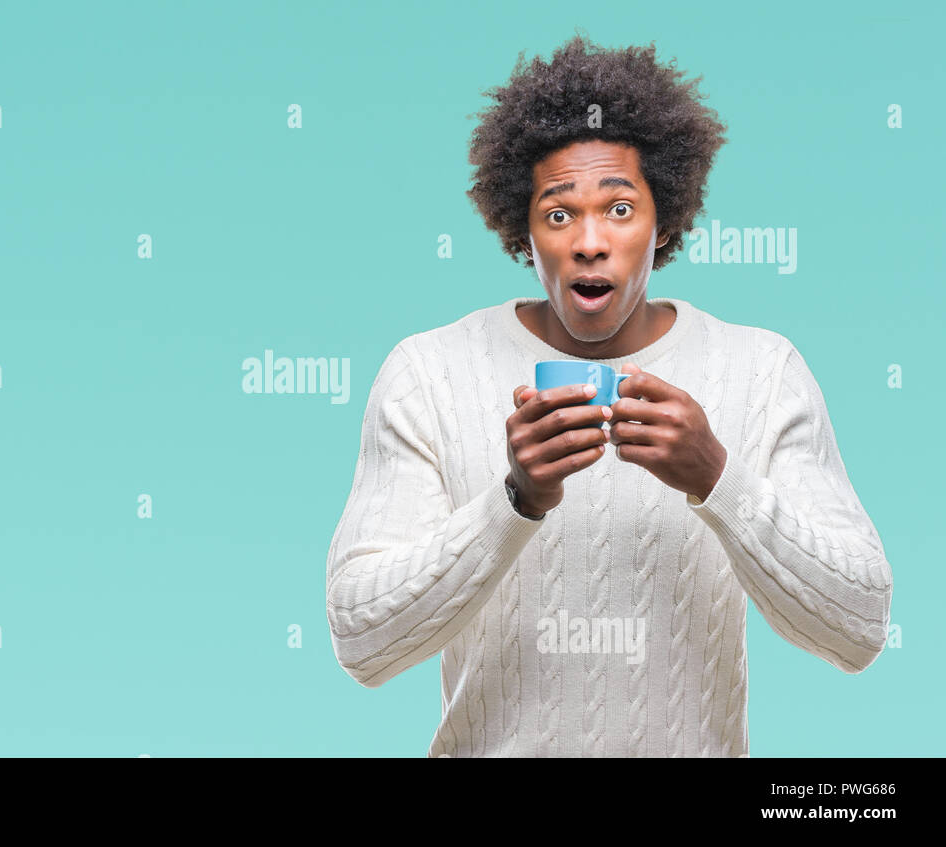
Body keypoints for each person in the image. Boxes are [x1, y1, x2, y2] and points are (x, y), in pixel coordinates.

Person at [324, 34, 892, 757]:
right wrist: (515, 500)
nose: (590, 242)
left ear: (664, 224)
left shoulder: (763, 370)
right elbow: (362, 640)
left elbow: (861, 627)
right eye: (558, 214)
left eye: (620, 209)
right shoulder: (429, 372)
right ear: (524, 235)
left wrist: (719, 478)